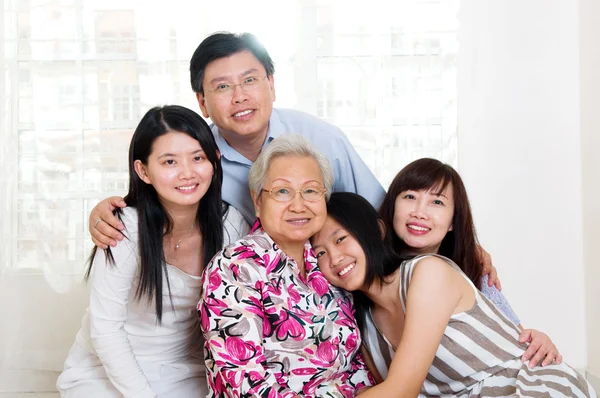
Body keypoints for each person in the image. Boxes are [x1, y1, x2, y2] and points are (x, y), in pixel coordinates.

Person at [88, 31, 385, 248]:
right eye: (223, 87)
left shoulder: (321, 139)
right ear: (202, 102)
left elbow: (378, 216)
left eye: (250, 80)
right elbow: (159, 199)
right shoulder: (198, 160)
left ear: (271, 84)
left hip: (332, 278)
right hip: (248, 290)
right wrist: (108, 212)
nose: (240, 96)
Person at [56, 105, 249, 397]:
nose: (187, 173)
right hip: (105, 370)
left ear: (215, 160)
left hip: (186, 370)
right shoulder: (124, 228)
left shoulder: (231, 225)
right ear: (143, 171)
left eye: (198, 158)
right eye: (169, 162)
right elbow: (106, 330)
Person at [311, 199, 596, 395]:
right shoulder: (366, 331)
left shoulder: (427, 272)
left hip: (527, 388)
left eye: (340, 239)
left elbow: (401, 391)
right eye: (320, 252)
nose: (334, 258)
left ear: (377, 230)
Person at [198, 135, 373, 397]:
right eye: (282, 191)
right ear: (257, 201)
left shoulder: (326, 262)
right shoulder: (235, 268)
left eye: (311, 191)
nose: (298, 205)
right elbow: (247, 386)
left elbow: (354, 363)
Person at [377, 158, 560, 366]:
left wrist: (538, 340)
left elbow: (516, 334)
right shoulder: (365, 274)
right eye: (410, 197)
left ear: (453, 222)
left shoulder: (474, 271)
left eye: (437, 202)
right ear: (392, 206)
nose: (419, 212)